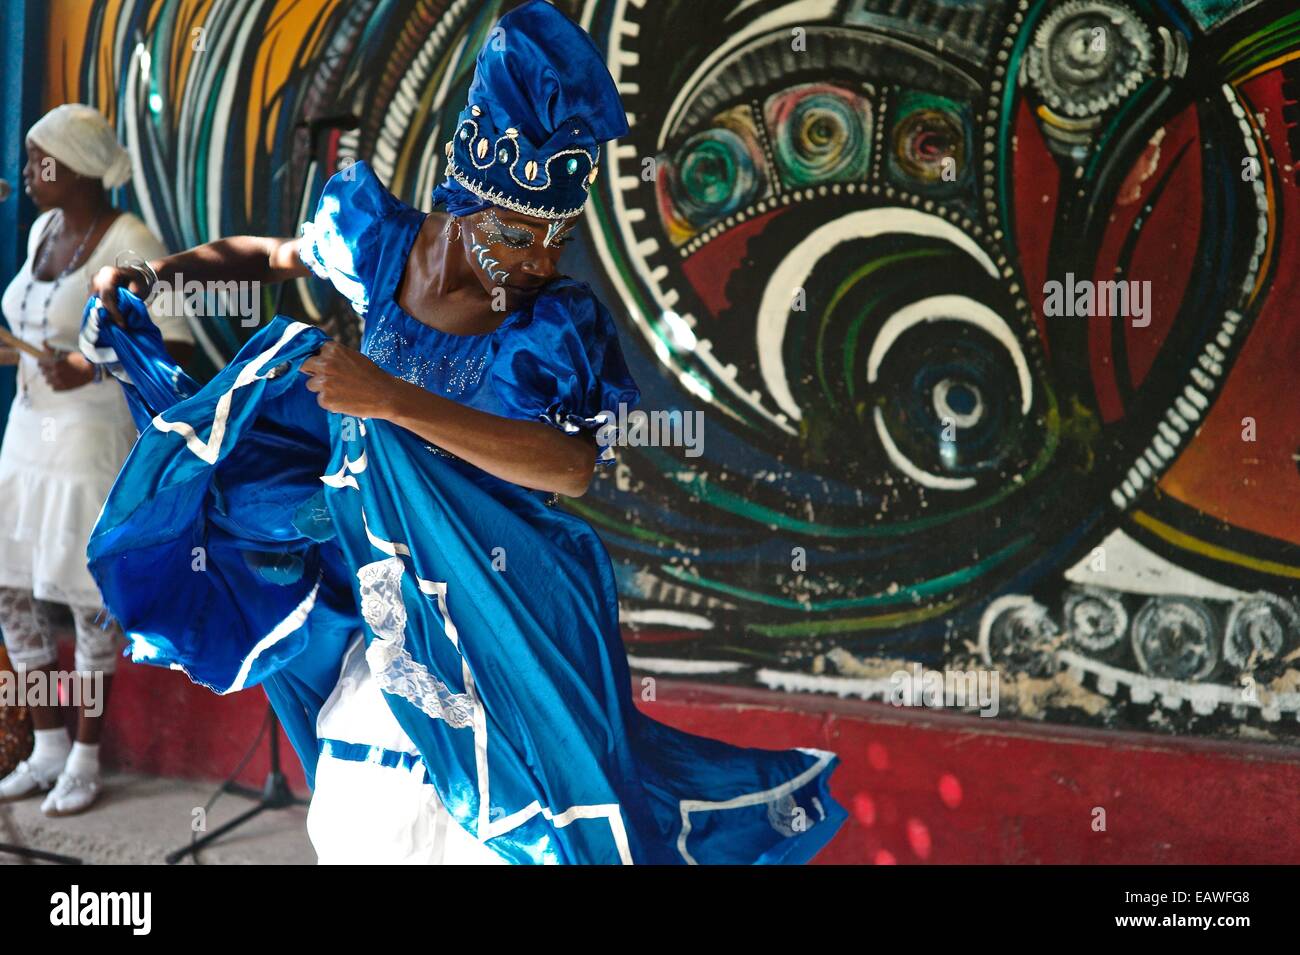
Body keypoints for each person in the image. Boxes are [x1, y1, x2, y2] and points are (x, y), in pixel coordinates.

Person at [84, 0, 846, 863]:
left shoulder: (554, 325)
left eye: (559, 238)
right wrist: (157, 272)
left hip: (509, 600)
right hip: (394, 601)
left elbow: (569, 468)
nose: (547, 261)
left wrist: (390, 399)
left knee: (519, 820)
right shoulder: (383, 248)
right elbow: (273, 254)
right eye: (525, 237)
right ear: (469, 213)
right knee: (374, 808)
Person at [0, 104, 194, 816]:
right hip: (27, 435)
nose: (28, 173)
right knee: (9, 586)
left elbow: (171, 345)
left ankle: (85, 757)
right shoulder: (42, 230)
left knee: (85, 599)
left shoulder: (130, 239)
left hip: (89, 439)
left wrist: (91, 364)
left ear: (77, 163)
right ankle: (46, 746)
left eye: (39, 160)